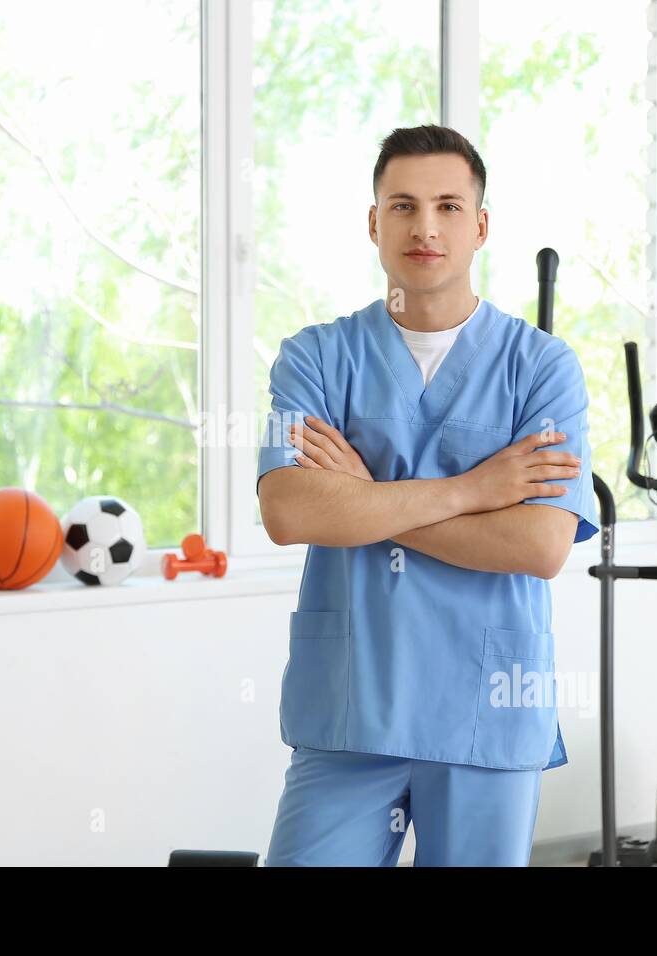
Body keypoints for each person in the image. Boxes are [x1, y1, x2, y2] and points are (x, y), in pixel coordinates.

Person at [255, 124, 599, 866]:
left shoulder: (543, 368)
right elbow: (288, 510)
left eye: (448, 205)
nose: (425, 226)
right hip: (351, 709)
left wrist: (367, 500)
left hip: (486, 712)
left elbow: (539, 546)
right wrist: (474, 490)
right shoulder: (314, 357)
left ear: (480, 225)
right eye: (403, 205)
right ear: (374, 222)